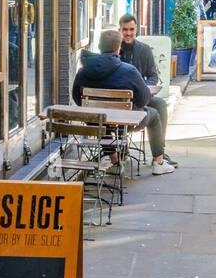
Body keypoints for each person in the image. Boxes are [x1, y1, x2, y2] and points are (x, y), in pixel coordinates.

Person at [71, 28, 175, 174]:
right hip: (125, 123)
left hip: (97, 122)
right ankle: (159, 162)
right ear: (118, 48)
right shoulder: (129, 71)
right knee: (154, 115)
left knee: (100, 118)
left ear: (100, 47)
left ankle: (115, 160)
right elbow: (144, 98)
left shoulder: (83, 71)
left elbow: (77, 98)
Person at [118, 14, 176, 167]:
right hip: (117, 99)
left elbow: (153, 76)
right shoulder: (114, 50)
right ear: (119, 30)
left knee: (160, 104)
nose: (128, 33)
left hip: (139, 96)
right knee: (154, 110)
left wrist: (144, 88)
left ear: (136, 30)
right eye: (125, 30)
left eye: (131, 29)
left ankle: (160, 152)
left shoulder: (144, 50)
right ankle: (120, 148)